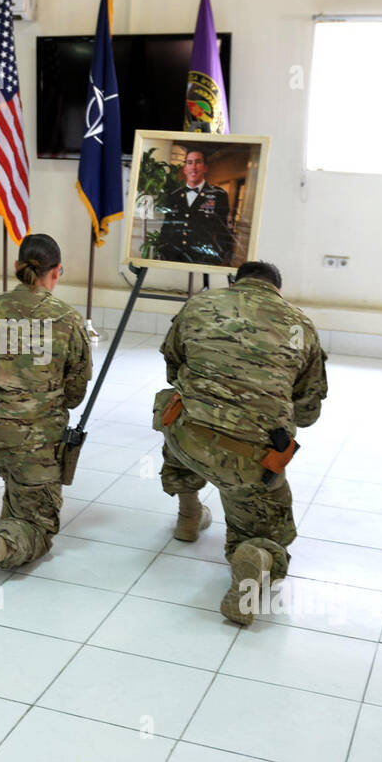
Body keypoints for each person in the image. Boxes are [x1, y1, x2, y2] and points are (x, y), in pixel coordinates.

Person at [156, 260, 328, 626]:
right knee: (268, 532)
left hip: (187, 438)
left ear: (234, 282)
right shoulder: (300, 326)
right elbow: (308, 411)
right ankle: (254, 556)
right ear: (278, 290)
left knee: (176, 401)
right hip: (251, 460)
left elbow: (174, 369)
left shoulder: (199, 305)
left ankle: (188, 516)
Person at [0, 235, 92, 601]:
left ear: (17, 267)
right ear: (57, 271)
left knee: (17, 466)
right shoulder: (68, 319)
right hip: (35, 441)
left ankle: (17, 498)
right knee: (39, 527)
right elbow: (74, 394)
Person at [157, 147, 233, 266]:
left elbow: (223, 231)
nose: (193, 167)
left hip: (203, 259)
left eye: (198, 162)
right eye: (189, 162)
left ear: (205, 168)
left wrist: (222, 257)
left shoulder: (218, 195)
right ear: (185, 168)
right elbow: (166, 228)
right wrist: (162, 250)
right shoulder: (174, 196)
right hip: (174, 258)